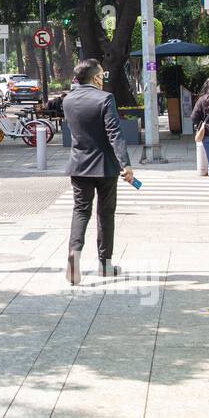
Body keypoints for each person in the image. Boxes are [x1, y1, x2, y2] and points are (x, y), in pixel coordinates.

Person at [62, 59, 134, 286]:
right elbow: (114, 132)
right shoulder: (105, 98)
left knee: (81, 211)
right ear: (95, 78)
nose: (103, 79)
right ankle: (105, 264)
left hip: (79, 165)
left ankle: (74, 254)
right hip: (105, 166)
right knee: (105, 214)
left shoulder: (68, 100)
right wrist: (126, 163)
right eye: (101, 75)